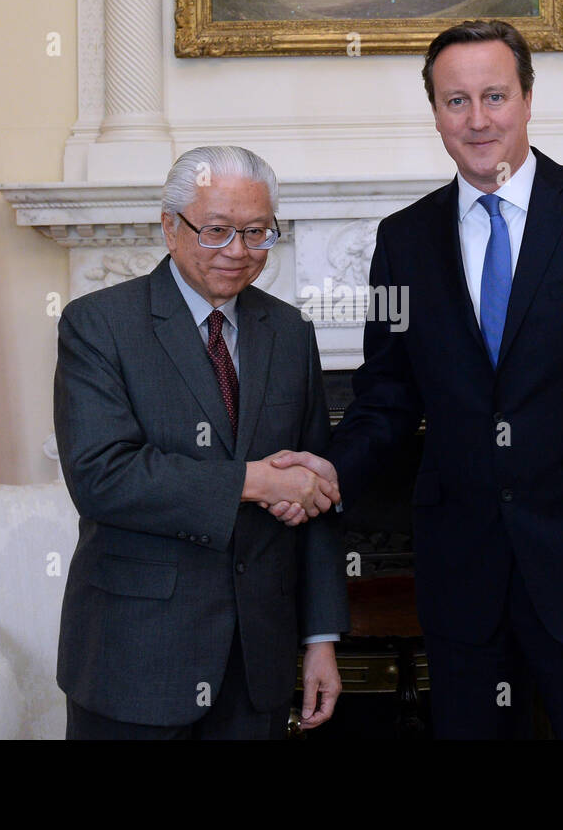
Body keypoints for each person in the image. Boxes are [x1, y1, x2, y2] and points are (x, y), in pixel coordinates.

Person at [273, 20, 563, 738]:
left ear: (528, 98)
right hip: (465, 577)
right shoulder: (404, 240)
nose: (477, 119)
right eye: (456, 101)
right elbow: (386, 402)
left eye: (493, 96)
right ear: (435, 113)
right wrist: (327, 468)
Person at [54, 145, 349, 739]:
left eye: (256, 232)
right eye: (216, 230)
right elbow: (102, 478)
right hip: (134, 659)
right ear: (170, 225)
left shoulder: (289, 332)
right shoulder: (98, 324)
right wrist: (259, 482)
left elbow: (316, 495)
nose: (238, 252)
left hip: (257, 663)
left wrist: (320, 639)